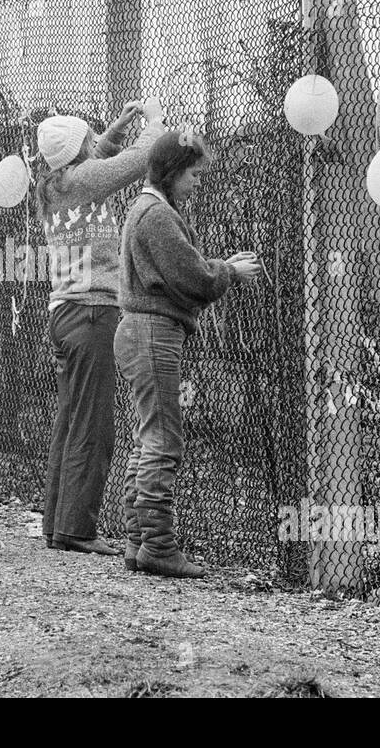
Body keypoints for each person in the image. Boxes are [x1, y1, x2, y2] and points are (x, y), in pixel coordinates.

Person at [114, 128, 261, 577]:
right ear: (173, 171)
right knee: (163, 441)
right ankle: (158, 545)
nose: (198, 182)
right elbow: (192, 278)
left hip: (140, 331)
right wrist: (229, 271)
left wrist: (218, 268)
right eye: (193, 173)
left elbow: (183, 269)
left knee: (148, 437)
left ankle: (139, 540)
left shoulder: (147, 209)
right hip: (152, 332)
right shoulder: (156, 215)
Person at [35, 99, 166, 555]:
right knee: (94, 426)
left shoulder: (55, 183)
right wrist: (153, 121)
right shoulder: (82, 181)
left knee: (71, 420)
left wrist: (113, 129)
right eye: (90, 140)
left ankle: (58, 525)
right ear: (78, 152)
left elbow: (100, 158)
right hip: (92, 313)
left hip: (67, 314)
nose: (97, 144)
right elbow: (136, 161)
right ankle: (77, 530)